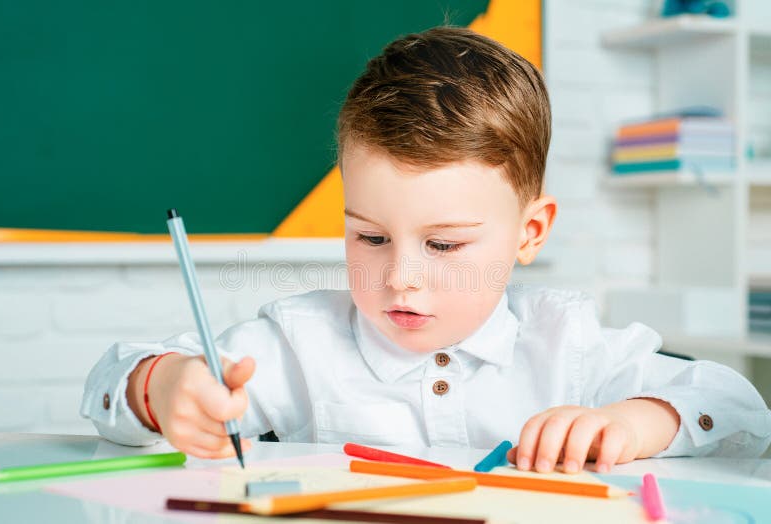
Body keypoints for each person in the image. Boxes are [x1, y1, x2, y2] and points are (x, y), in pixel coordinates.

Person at [82, 27, 771, 474]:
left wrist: (633, 421)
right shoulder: (301, 344)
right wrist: (161, 387)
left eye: (443, 244)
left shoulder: (567, 342)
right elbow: (109, 386)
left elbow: (740, 410)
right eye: (370, 237)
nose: (400, 279)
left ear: (530, 232)